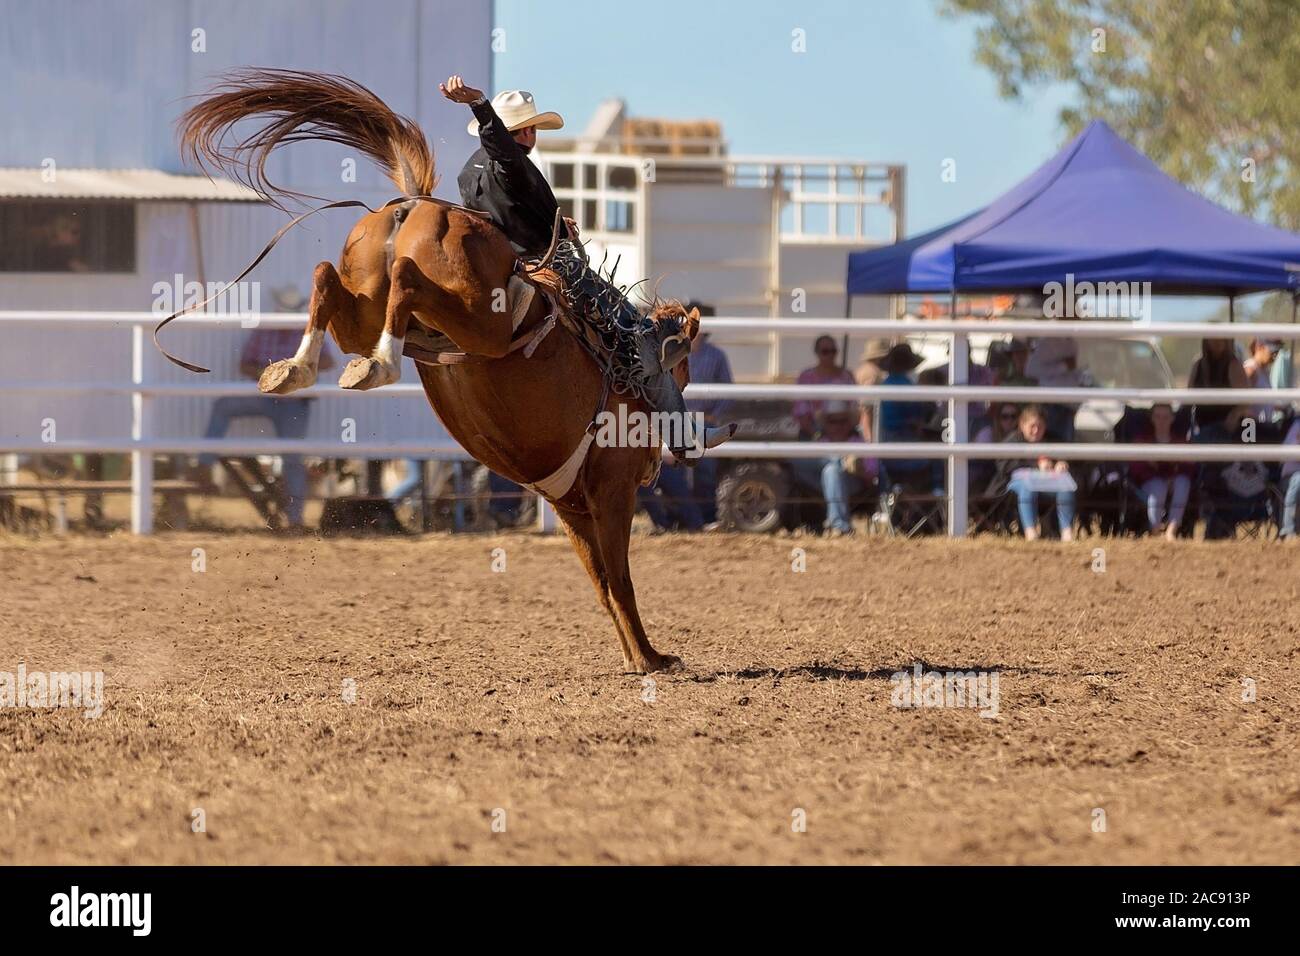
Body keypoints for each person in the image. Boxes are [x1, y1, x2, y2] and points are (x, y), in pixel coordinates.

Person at [440, 75, 733, 460]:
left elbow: (506, 215)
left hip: (507, 266)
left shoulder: (469, 170)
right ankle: (682, 435)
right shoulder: (510, 161)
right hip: (551, 265)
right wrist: (479, 103)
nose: (532, 136)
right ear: (525, 130)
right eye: (530, 128)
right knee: (640, 337)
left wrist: (555, 225)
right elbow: (506, 157)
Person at [198, 286, 328, 529]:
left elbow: (328, 361)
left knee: (292, 459)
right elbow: (245, 364)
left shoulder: (304, 332)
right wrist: (268, 374)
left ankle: (296, 519)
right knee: (224, 406)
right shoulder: (273, 330)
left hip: (293, 402)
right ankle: (204, 463)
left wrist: (299, 370)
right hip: (270, 396)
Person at [988, 405, 1075, 541]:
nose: (1036, 430)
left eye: (1040, 426)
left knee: (1066, 488)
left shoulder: (1053, 440)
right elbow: (1004, 467)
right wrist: (1036, 465)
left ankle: (1067, 532)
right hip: (1013, 486)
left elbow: (1073, 458)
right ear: (1022, 425)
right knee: (1027, 487)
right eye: (1032, 426)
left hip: (1047, 486)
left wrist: (1061, 463)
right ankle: (1031, 532)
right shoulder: (1012, 441)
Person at [792, 401, 878, 535]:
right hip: (819, 483)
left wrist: (859, 470)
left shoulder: (858, 442)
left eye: (843, 421)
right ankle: (840, 461)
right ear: (826, 423)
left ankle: (840, 526)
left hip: (855, 484)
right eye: (833, 421)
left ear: (849, 423)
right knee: (820, 468)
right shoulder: (821, 442)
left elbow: (872, 475)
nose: (838, 426)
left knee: (831, 471)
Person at [684, 303, 730, 525]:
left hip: (706, 418)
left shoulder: (717, 355)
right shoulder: (677, 350)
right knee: (679, 470)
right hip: (677, 418)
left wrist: (715, 415)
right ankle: (685, 519)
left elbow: (727, 389)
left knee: (705, 471)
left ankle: (707, 518)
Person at [875, 343, 943, 494]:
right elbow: (917, 422)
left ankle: (895, 489)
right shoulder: (908, 386)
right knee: (939, 454)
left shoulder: (884, 385)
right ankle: (937, 490)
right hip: (905, 445)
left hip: (885, 448)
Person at [1128, 403, 1195, 540]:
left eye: (1165, 417)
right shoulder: (1142, 441)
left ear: (1172, 419)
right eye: (1157, 417)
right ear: (1152, 419)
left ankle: (1171, 529)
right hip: (1150, 483)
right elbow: (1136, 468)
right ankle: (1155, 530)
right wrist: (1158, 472)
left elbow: (1189, 466)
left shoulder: (1180, 442)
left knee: (1182, 483)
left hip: (1175, 482)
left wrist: (1171, 474)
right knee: (1158, 486)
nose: (1161, 421)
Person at [1024, 336, 1088, 442]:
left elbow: (1079, 372)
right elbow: (1030, 370)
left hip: (1069, 406)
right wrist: (1063, 366)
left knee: (1064, 447)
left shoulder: (1075, 343)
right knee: (1050, 443)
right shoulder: (1047, 342)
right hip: (1050, 404)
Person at [792, 336, 855, 439]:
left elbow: (854, 407)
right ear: (817, 353)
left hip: (843, 433)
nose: (830, 355)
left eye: (833, 351)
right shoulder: (806, 377)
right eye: (825, 351)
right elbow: (801, 412)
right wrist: (817, 436)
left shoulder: (847, 376)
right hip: (813, 432)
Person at [1187, 338, 1250, 441]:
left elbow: (1246, 399)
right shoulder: (1199, 365)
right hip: (1202, 426)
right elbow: (1189, 397)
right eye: (1213, 339)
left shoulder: (1233, 365)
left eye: (1221, 339)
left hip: (1226, 429)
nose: (1217, 342)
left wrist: (1234, 415)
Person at [1280, 418, 1300, 540]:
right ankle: (1288, 530)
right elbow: (1285, 455)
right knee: (1299, 479)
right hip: (1290, 477)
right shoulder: (1297, 426)